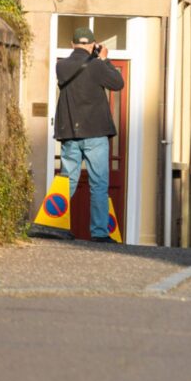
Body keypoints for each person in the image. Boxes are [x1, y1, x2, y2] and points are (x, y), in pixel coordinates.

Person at [54, 26, 125, 243]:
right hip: (95, 133)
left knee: (67, 181)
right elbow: (117, 83)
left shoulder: (61, 66)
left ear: (72, 44)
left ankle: (56, 225)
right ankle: (99, 233)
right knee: (98, 184)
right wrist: (104, 59)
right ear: (93, 44)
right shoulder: (97, 65)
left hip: (70, 133)